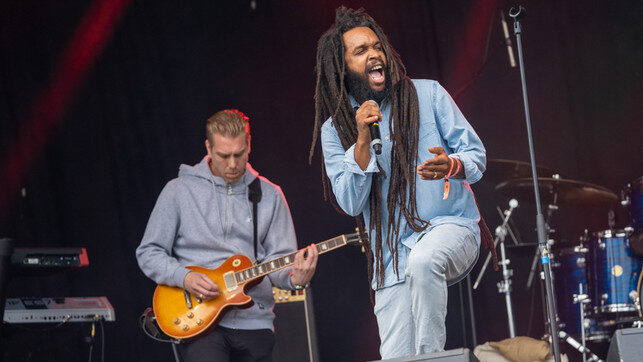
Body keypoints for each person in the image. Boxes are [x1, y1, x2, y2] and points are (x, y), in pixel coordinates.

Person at [309, 7, 493, 359]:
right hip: (391, 257)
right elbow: (350, 202)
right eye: (360, 51)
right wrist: (362, 141)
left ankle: (430, 357)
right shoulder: (335, 131)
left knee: (424, 261)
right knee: (394, 355)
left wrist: (452, 164)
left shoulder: (428, 95)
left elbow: (477, 157)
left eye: (377, 46)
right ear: (342, 67)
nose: (374, 54)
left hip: (451, 227)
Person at [137, 109, 317, 362]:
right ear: (208, 148)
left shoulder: (271, 194)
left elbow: (278, 262)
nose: (232, 164)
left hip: (255, 322)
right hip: (200, 320)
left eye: (239, 154)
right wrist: (185, 277)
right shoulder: (178, 191)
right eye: (223, 156)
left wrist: (296, 279)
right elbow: (149, 252)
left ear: (249, 145)